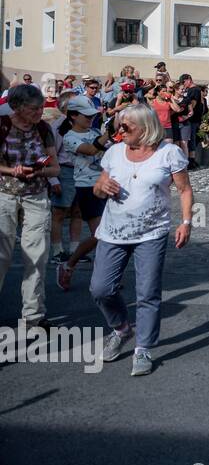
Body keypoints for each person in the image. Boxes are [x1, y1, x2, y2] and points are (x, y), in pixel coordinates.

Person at [87, 102, 192, 376]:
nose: (120, 130)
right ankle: (122, 329)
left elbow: (184, 190)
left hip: (151, 232)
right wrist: (101, 187)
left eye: (125, 126)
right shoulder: (113, 153)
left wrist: (186, 222)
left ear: (144, 128)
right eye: (119, 125)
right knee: (100, 289)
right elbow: (98, 189)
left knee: (147, 292)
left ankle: (143, 348)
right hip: (114, 231)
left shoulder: (169, 154)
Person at [0, 84, 60, 332]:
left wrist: (38, 170)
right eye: (33, 109)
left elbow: (55, 167)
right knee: (1, 256)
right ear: (16, 107)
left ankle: (34, 316)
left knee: (36, 255)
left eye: (41, 108)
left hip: (36, 195)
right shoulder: (2, 126)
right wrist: (11, 170)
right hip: (4, 194)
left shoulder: (44, 129)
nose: (39, 113)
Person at [55, 97, 112, 290]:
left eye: (92, 115)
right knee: (100, 235)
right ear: (73, 116)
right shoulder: (69, 137)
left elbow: (108, 152)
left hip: (105, 185)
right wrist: (109, 133)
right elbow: (90, 150)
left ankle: (105, 277)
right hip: (87, 187)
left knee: (110, 234)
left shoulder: (95, 131)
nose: (90, 118)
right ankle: (69, 265)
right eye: (86, 115)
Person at [175, 74, 204, 166]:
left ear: (189, 80)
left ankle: (191, 160)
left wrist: (186, 112)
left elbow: (193, 103)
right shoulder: (190, 90)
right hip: (190, 118)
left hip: (192, 119)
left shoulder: (195, 90)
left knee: (190, 140)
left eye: (183, 82)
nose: (183, 85)